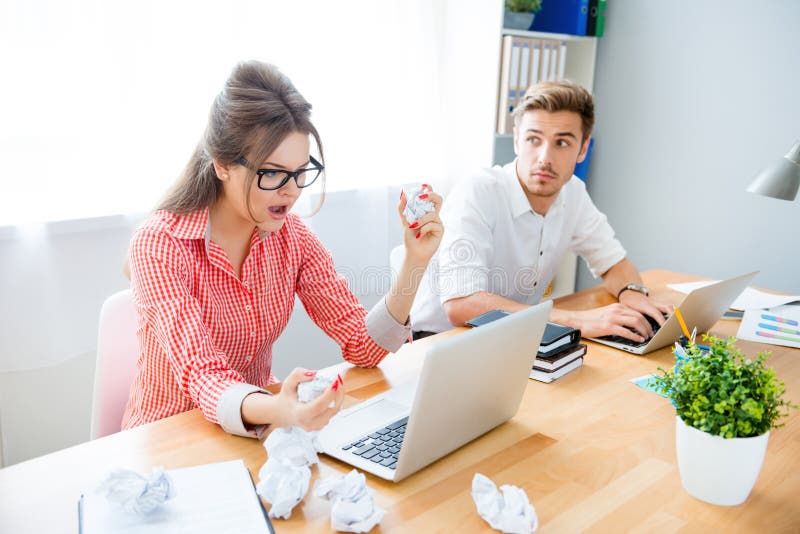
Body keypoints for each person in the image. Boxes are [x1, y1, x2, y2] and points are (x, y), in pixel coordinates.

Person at [122, 60, 443, 438]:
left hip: (257, 429)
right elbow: (203, 375)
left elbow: (362, 346)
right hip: (170, 440)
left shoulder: (293, 238)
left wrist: (415, 261)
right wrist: (279, 408)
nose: (291, 191)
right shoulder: (160, 243)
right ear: (224, 165)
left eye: (300, 171)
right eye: (272, 173)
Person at [411, 80, 670, 342]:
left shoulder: (573, 192)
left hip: (514, 336)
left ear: (582, 149)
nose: (545, 157)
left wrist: (633, 294)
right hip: (441, 340)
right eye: (534, 139)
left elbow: (614, 263)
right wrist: (575, 320)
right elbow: (461, 305)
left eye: (562, 143)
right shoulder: (478, 190)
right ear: (516, 141)